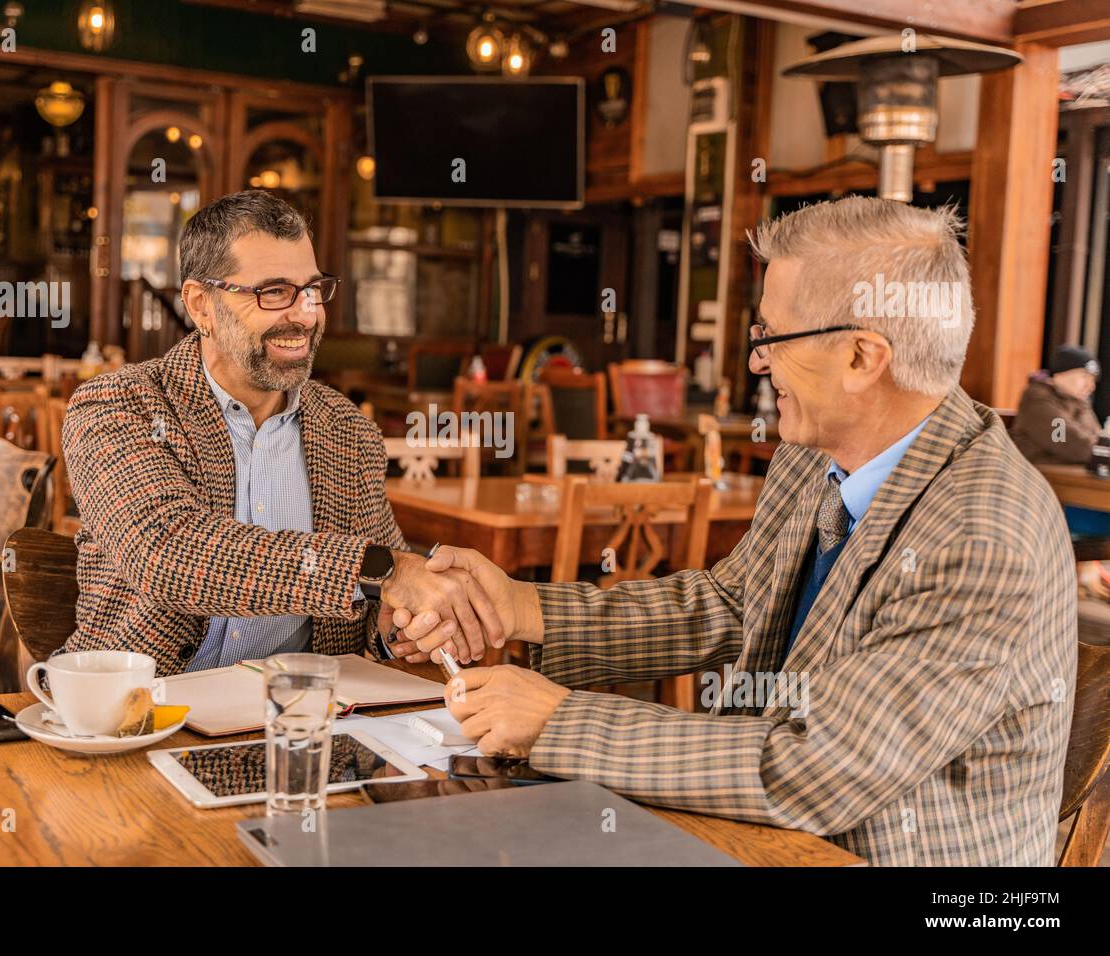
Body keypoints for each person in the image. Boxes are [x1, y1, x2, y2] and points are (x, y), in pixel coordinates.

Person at [390, 197, 1077, 866]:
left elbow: (818, 769)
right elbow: (727, 606)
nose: (757, 363)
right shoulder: (812, 456)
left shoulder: (984, 535)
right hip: (759, 840)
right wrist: (520, 607)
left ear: (864, 358)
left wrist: (558, 721)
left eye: (772, 338)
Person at [61, 191, 501, 675]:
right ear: (201, 305)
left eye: (312, 289)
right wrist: (382, 570)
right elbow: (170, 552)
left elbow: (376, 606)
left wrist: (408, 626)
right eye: (273, 292)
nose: (306, 315)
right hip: (139, 713)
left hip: (301, 720)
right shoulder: (119, 405)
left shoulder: (347, 431)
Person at [1011, 343, 1110, 538]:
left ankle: (1088, 569)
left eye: (1093, 380)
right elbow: (1071, 444)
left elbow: (1097, 444)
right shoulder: (1037, 399)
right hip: (1046, 500)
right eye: (1084, 377)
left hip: (1076, 494)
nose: (1090, 386)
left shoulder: (1079, 404)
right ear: (1060, 374)